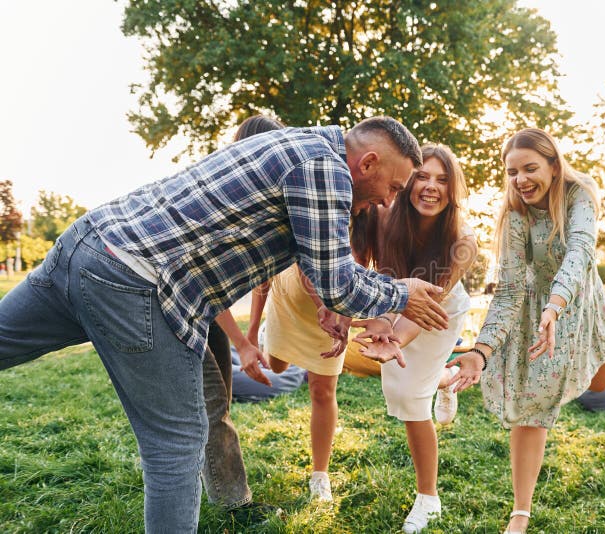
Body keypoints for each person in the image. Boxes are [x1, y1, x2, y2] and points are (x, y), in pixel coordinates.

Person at [0, 116, 450, 533]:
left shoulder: (298, 143)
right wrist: (402, 293)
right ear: (367, 162)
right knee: (177, 444)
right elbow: (337, 282)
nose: (390, 200)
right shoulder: (326, 169)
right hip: (136, 281)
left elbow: (321, 273)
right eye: (392, 186)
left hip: (85, 243)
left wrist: (341, 302)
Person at [446, 128, 605, 534]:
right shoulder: (515, 214)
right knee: (530, 405)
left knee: (601, 384)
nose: (521, 179)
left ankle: (570, 371)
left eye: (531, 168)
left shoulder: (580, 194)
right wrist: (481, 352)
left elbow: (580, 250)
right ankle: (520, 513)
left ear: (554, 166)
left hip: (579, 304)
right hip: (535, 315)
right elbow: (507, 290)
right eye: (512, 171)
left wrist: (556, 306)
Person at [352, 144, 477, 533]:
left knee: (411, 399)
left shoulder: (462, 241)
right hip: (395, 294)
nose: (430, 187)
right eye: (422, 176)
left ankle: (429, 499)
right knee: (405, 387)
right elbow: (366, 267)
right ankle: (443, 381)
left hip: (440, 309)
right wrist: (378, 319)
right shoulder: (384, 214)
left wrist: (394, 338)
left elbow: (426, 309)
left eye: (442, 179)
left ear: (453, 188)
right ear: (407, 181)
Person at [200, 114, 286, 515]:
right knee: (211, 404)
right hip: (182, 307)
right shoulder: (222, 199)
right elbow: (205, 286)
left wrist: (250, 336)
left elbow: (261, 278)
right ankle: (233, 504)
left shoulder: (262, 203)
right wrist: (241, 342)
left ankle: (216, 489)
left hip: (205, 308)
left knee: (219, 400)